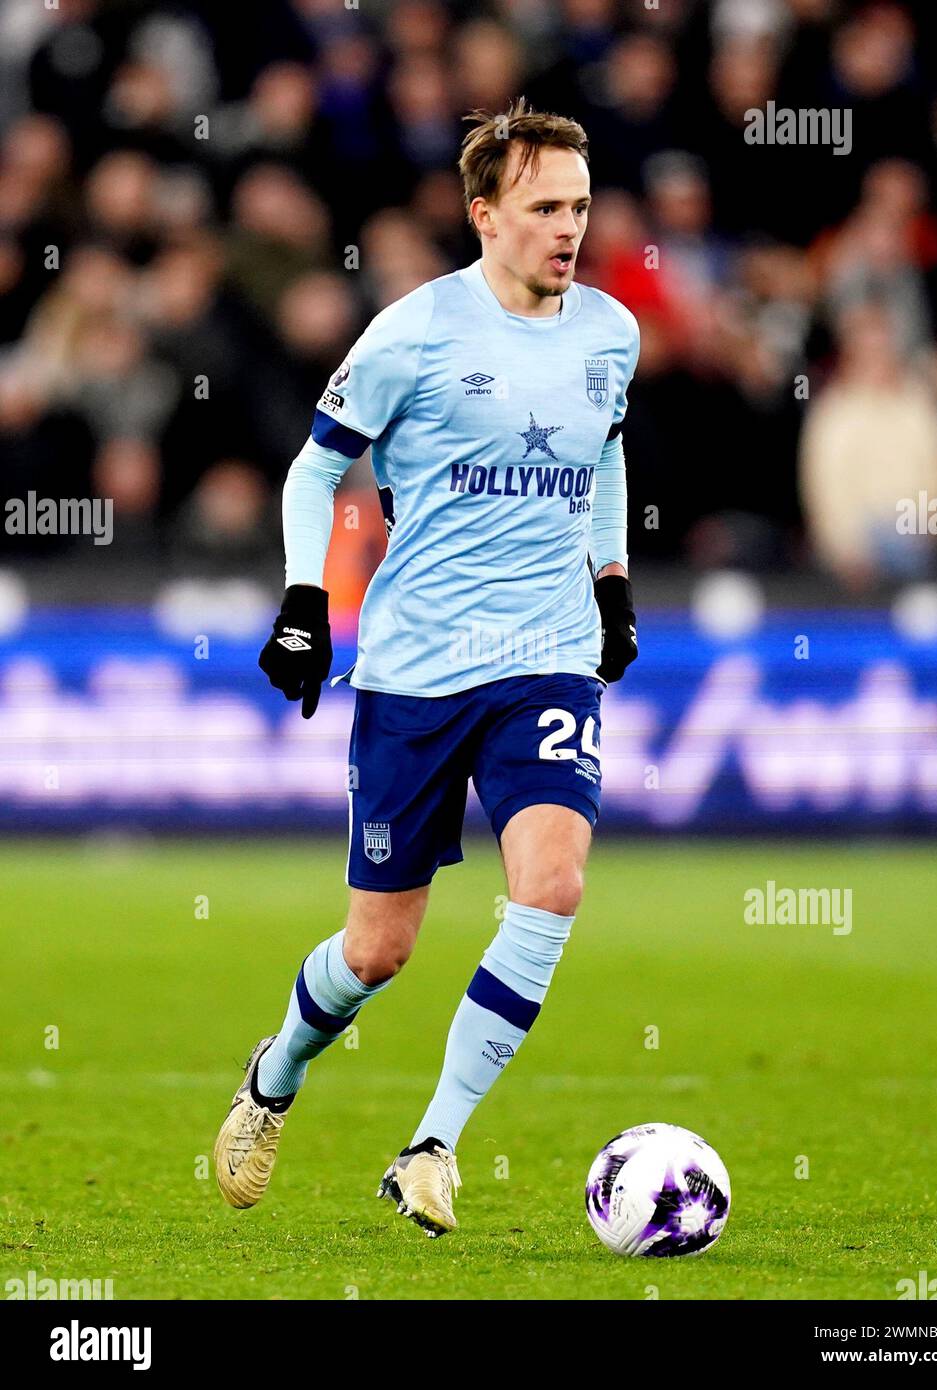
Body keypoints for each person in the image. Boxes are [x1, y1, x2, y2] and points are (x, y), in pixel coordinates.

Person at [213, 97, 640, 1238]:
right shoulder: (412, 333)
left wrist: (610, 580)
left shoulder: (610, 332)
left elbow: (604, 456)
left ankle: (430, 1144)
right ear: (484, 212)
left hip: (545, 660)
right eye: (546, 207)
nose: (569, 229)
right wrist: (306, 602)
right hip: (418, 667)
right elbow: (314, 473)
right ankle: (276, 1075)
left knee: (551, 887)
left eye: (582, 207)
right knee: (377, 950)